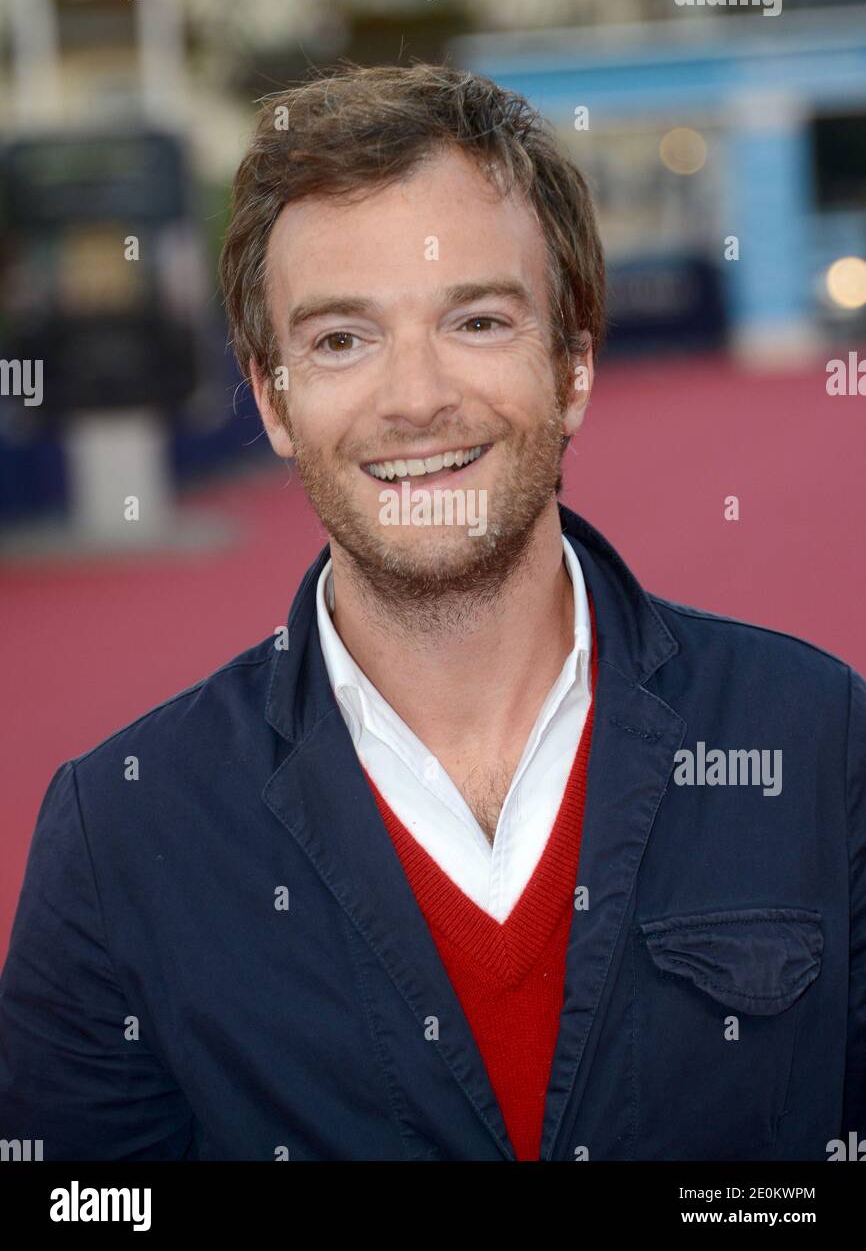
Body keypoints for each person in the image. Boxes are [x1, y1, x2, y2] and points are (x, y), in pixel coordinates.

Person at [1, 62, 863, 1162]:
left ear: (573, 368)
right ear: (272, 399)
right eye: (341, 339)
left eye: (476, 320)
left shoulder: (818, 741)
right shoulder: (117, 839)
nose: (413, 399)